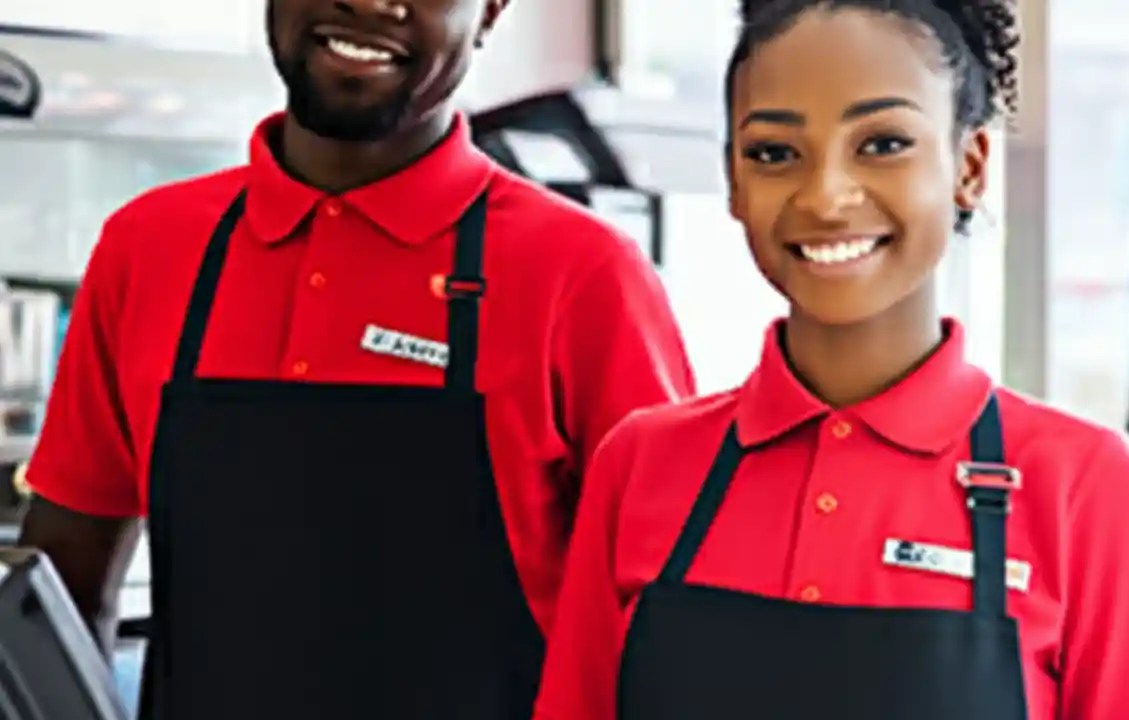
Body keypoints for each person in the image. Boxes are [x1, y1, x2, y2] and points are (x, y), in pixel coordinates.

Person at [18, 0, 693, 718]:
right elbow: (58, 594)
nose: (372, 3)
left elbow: (674, 629)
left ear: (492, 11)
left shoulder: (583, 275)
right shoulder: (149, 249)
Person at [533, 0, 1129, 718]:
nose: (825, 197)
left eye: (882, 144)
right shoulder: (639, 465)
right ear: (733, 181)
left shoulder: (1082, 486)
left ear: (970, 166)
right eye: (774, 153)